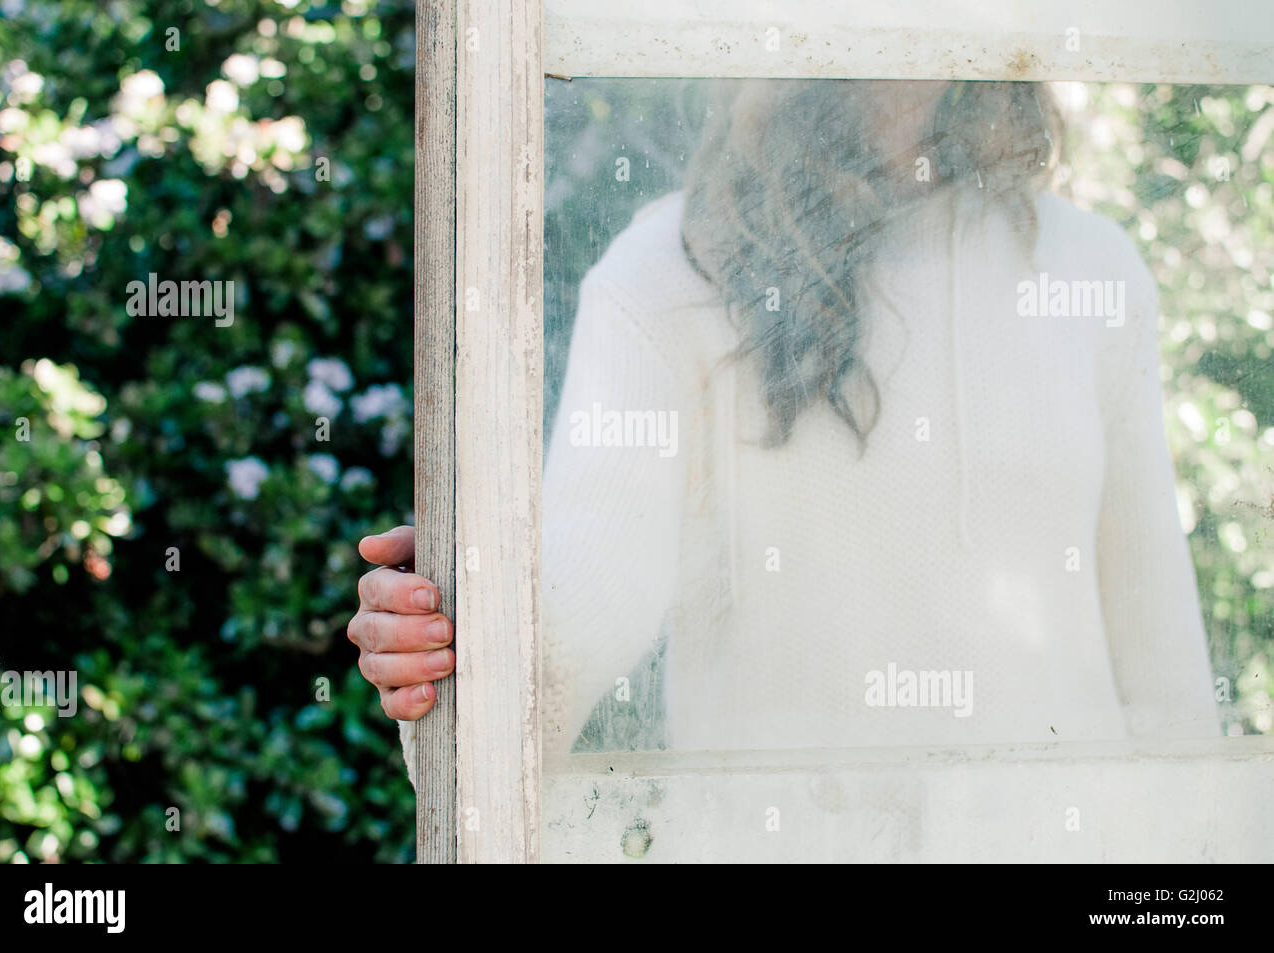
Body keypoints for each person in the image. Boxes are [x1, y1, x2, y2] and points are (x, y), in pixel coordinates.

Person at [347, 80, 1218, 756]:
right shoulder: (667, 273)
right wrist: (454, 626)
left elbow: (1165, 673)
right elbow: (584, 598)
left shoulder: (1092, 270)